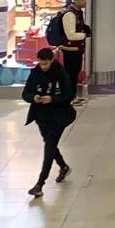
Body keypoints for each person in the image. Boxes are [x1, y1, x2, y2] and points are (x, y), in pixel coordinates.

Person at [22, 48, 75, 197]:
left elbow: (69, 94)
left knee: (49, 146)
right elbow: (25, 93)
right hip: (41, 116)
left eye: (45, 63)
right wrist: (34, 98)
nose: (43, 66)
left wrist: (52, 99)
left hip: (59, 115)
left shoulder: (61, 73)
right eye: (41, 63)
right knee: (49, 143)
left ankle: (40, 183)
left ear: (51, 60)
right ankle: (63, 166)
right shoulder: (35, 73)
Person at [48, 0, 90, 104]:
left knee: (74, 73)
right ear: (75, 0)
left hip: (77, 49)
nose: (84, 2)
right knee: (70, 74)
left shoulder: (77, 13)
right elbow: (70, 35)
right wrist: (84, 35)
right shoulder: (70, 14)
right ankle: (69, 97)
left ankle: (73, 95)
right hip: (70, 50)